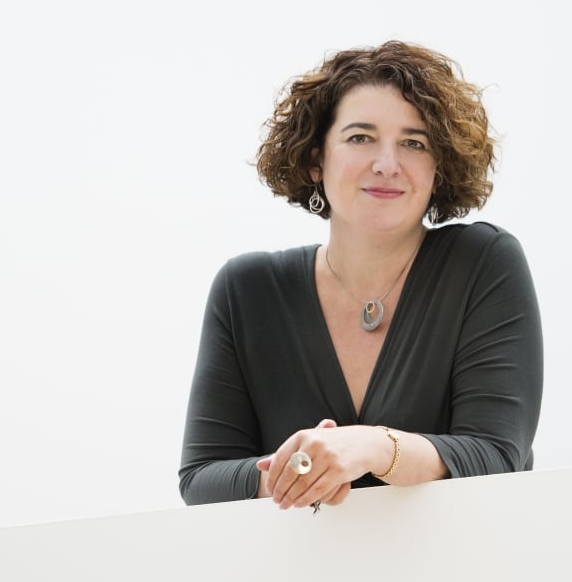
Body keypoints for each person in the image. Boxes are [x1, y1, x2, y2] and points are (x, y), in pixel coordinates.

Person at [178, 41, 542, 511]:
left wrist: (371, 447)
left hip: (469, 559)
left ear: (439, 166)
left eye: (414, 143)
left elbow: (497, 455)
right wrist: (308, 469)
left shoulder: (483, 263)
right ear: (316, 160)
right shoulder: (246, 290)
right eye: (360, 138)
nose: (387, 164)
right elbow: (201, 479)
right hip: (301, 563)